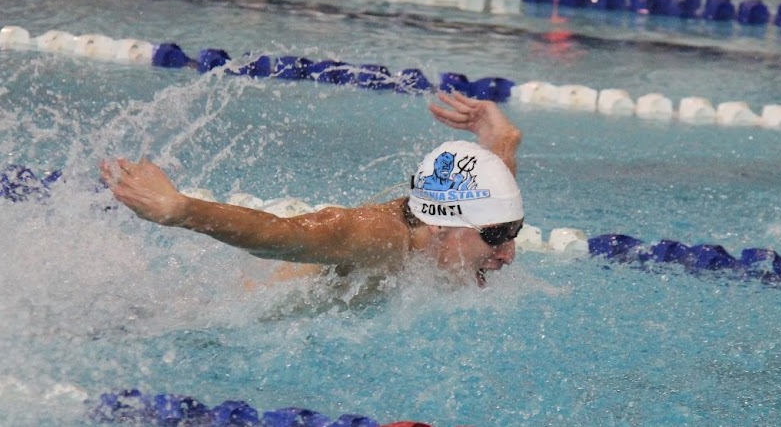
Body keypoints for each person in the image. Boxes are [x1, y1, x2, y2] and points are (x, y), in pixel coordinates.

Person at [99, 92, 524, 287]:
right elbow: (281, 235)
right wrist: (181, 210)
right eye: (495, 237)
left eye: (513, 230)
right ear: (439, 226)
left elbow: (494, 180)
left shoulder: (475, 213)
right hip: (214, 316)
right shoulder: (376, 237)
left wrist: (503, 139)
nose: (508, 251)